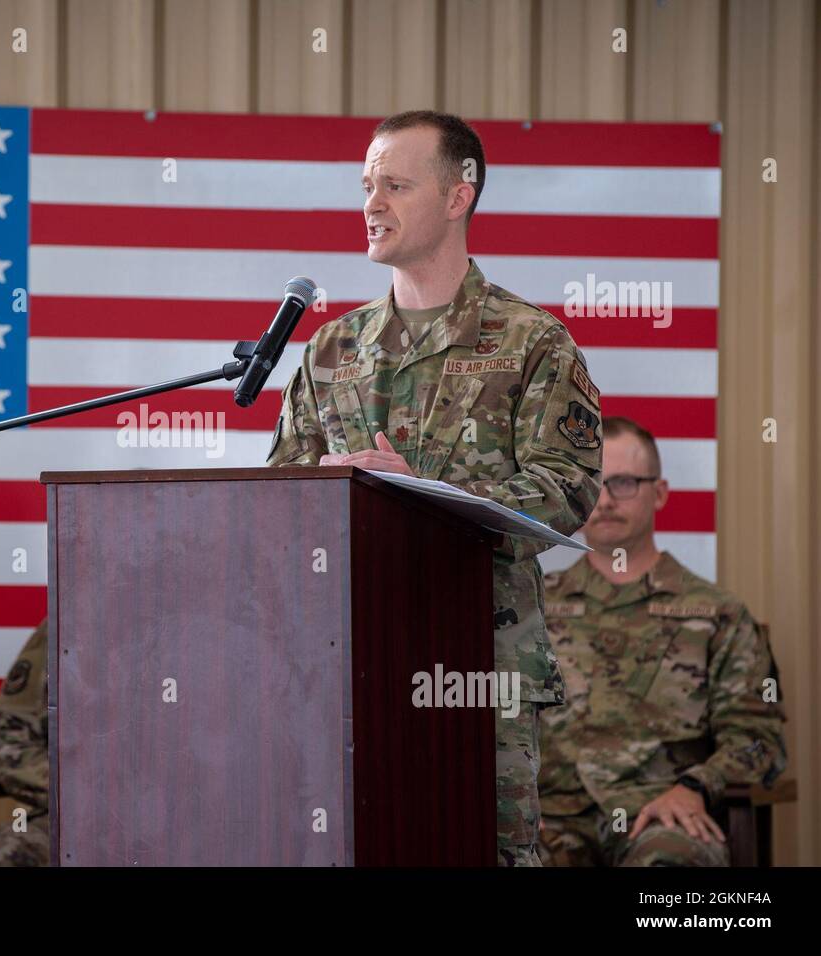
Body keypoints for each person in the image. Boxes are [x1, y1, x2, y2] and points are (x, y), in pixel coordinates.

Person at [266, 110, 602, 866]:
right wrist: (313, 492)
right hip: (342, 661)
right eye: (366, 186)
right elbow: (279, 495)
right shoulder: (331, 348)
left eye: (395, 185)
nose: (371, 204)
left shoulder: (531, 342)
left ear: (459, 196)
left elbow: (567, 488)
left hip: (479, 671)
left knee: (484, 851)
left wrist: (428, 488)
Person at [537, 417, 786, 866]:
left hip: (657, 815)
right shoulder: (534, 610)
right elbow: (492, 723)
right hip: (551, 820)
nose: (606, 500)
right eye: (593, 484)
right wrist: (509, 809)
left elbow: (757, 738)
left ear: (661, 493)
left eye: (625, 483)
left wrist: (695, 788)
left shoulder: (716, 614)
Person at [0, 620, 50, 866]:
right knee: (17, 855)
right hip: (83, 816)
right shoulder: (71, 619)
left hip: (170, 818)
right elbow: (5, 744)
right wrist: (85, 792)